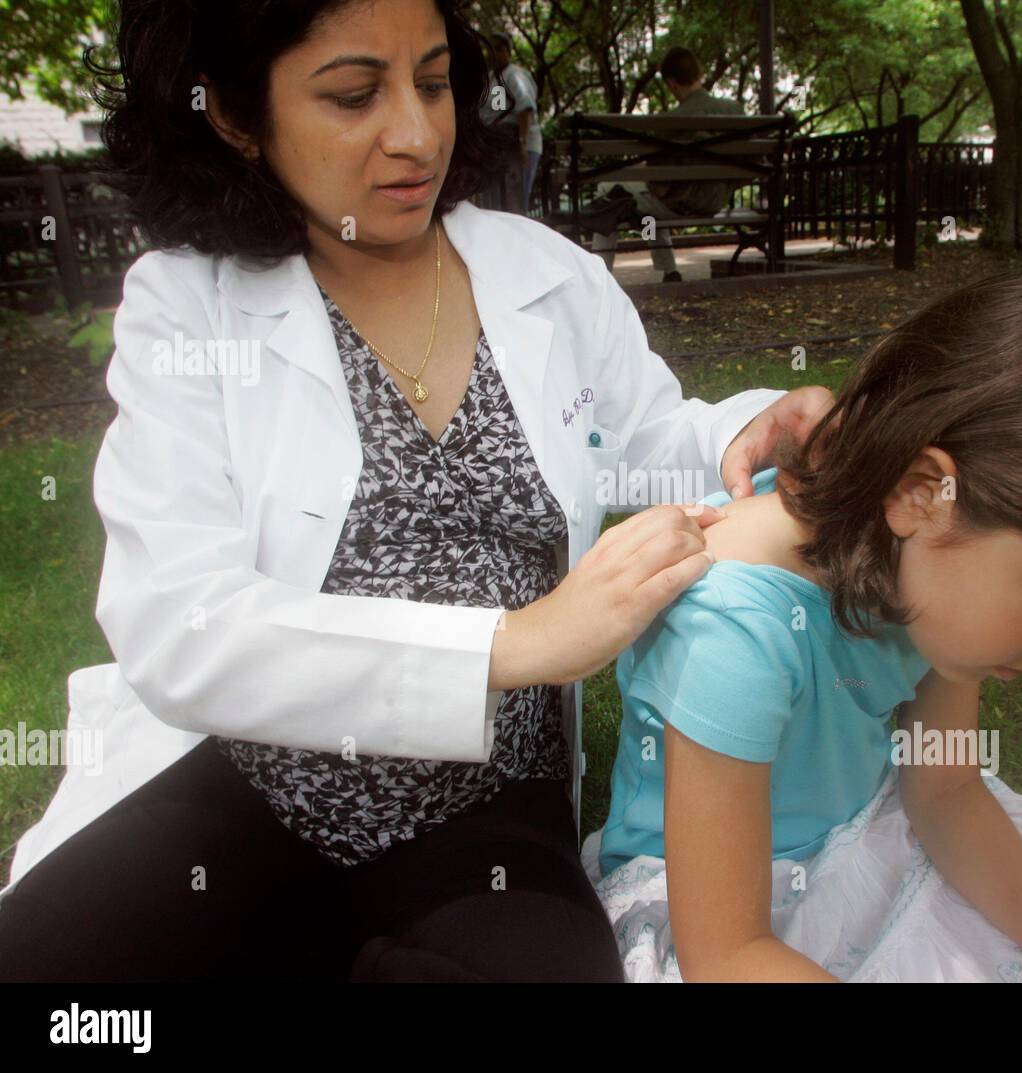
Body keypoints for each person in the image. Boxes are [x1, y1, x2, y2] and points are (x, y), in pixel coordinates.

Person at [0, 0, 834, 983]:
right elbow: (179, 621)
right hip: (252, 776)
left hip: (488, 806)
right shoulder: (189, 304)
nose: (415, 133)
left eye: (432, 82)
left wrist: (739, 430)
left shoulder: (544, 279)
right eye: (355, 94)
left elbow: (641, 439)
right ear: (230, 112)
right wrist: (518, 642)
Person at [581, 265, 1022, 983]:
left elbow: (945, 790)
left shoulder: (920, 567)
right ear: (921, 491)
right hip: (727, 915)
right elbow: (727, 954)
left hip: (877, 831)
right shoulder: (733, 629)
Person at [587, 46, 747, 283]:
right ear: (699, 75)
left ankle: (598, 277)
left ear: (671, 83)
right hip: (715, 201)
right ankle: (669, 270)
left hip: (679, 203)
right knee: (642, 208)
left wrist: (640, 173)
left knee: (607, 190)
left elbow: (659, 185)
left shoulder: (671, 121)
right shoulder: (735, 111)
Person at [479, 31, 541, 214]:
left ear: (508, 51)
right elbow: (493, 112)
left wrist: (522, 143)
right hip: (496, 145)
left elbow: (525, 109)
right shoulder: (491, 79)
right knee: (495, 203)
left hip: (517, 145)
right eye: (491, 50)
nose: (495, 54)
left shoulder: (516, 76)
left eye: (499, 49)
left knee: (515, 200)